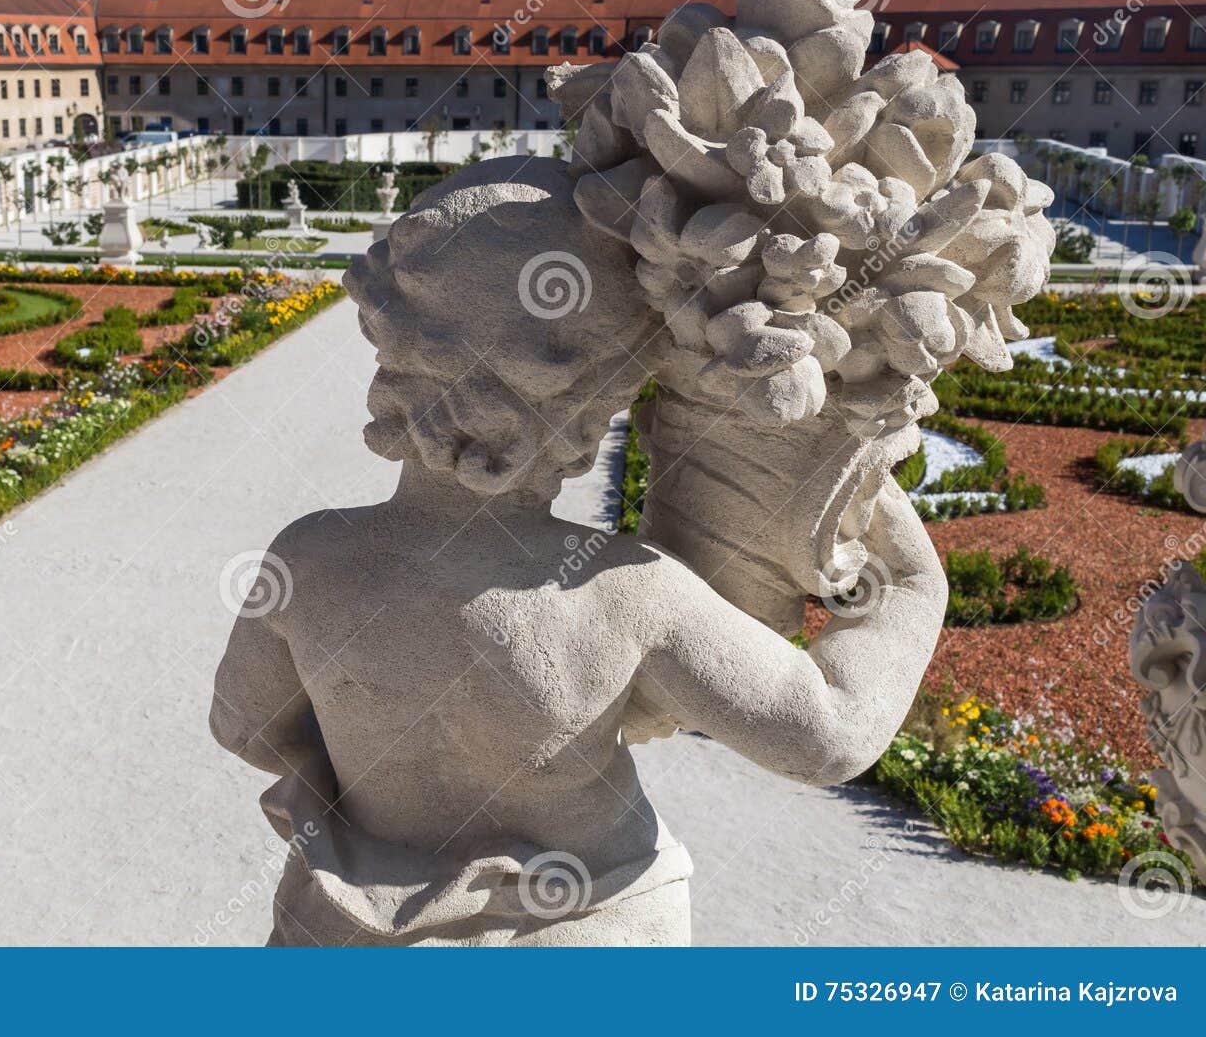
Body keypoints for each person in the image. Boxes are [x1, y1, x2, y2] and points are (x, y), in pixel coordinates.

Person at [209, 156, 946, 946]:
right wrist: (911, 585)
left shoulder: (311, 557)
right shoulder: (622, 592)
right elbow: (828, 735)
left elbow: (246, 728)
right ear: (598, 395)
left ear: (393, 338)